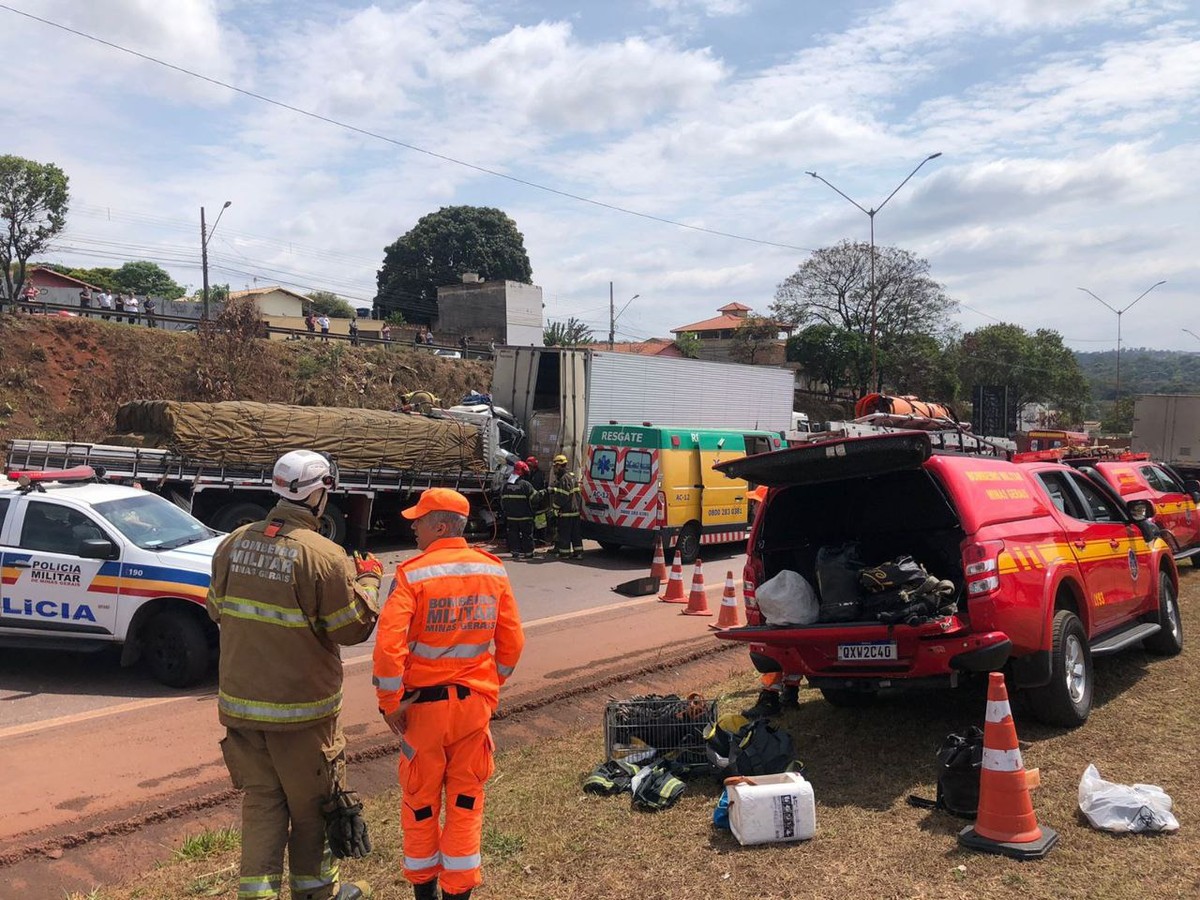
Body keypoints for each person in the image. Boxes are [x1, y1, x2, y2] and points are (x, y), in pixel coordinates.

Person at [206, 450, 382, 900]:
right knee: (312, 811)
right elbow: (351, 629)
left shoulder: (233, 543)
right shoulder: (323, 555)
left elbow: (215, 609)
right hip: (303, 717)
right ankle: (318, 894)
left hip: (243, 713)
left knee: (263, 805)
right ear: (319, 494)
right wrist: (368, 582)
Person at [373, 488, 525, 900]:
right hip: (473, 708)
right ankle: (459, 892)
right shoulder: (493, 570)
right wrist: (489, 687)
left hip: (421, 712)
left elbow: (389, 648)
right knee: (465, 803)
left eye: (419, 520)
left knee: (420, 804)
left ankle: (424, 892)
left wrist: (390, 704)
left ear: (440, 526)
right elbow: (511, 645)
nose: (413, 526)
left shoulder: (411, 573)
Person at [500, 461, 538, 559]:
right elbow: (535, 498)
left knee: (513, 534)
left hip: (511, 517)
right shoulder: (526, 485)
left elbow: (503, 501)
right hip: (525, 517)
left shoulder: (506, 486)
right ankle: (528, 553)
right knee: (527, 535)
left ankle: (515, 552)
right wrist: (544, 492)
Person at [549, 454, 584, 559]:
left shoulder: (563, 479)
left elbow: (562, 496)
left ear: (559, 466)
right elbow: (574, 494)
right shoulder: (572, 476)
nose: (555, 469)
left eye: (555, 466)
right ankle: (578, 553)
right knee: (575, 534)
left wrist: (555, 508)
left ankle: (564, 553)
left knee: (565, 533)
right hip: (575, 510)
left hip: (566, 512)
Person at [524, 456, 548, 545]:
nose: (529, 468)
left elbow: (536, 489)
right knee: (532, 524)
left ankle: (541, 540)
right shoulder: (528, 475)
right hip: (532, 504)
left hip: (539, 504)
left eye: (530, 466)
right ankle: (535, 539)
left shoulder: (538, 475)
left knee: (540, 524)